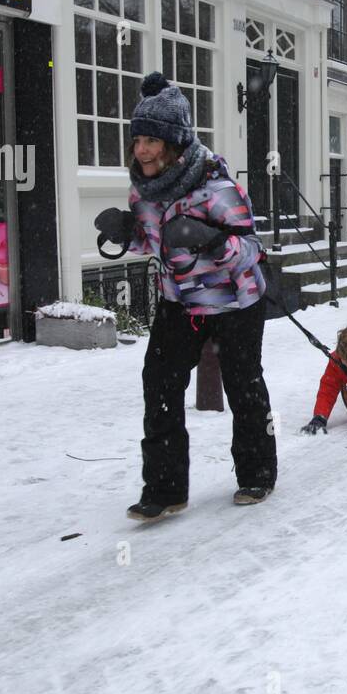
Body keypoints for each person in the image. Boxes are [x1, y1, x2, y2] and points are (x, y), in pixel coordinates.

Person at [94, 72, 277, 522]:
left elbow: (253, 250)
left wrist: (213, 242)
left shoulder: (218, 189)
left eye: (151, 141)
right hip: (179, 304)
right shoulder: (145, 190)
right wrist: (128, 233)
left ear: (174, 142)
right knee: (159, 383)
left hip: (235, 304)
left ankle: (257, 473)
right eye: (137, 140)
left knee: (243, 385)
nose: (141, 150)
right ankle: (164, 489)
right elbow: (154, 242)